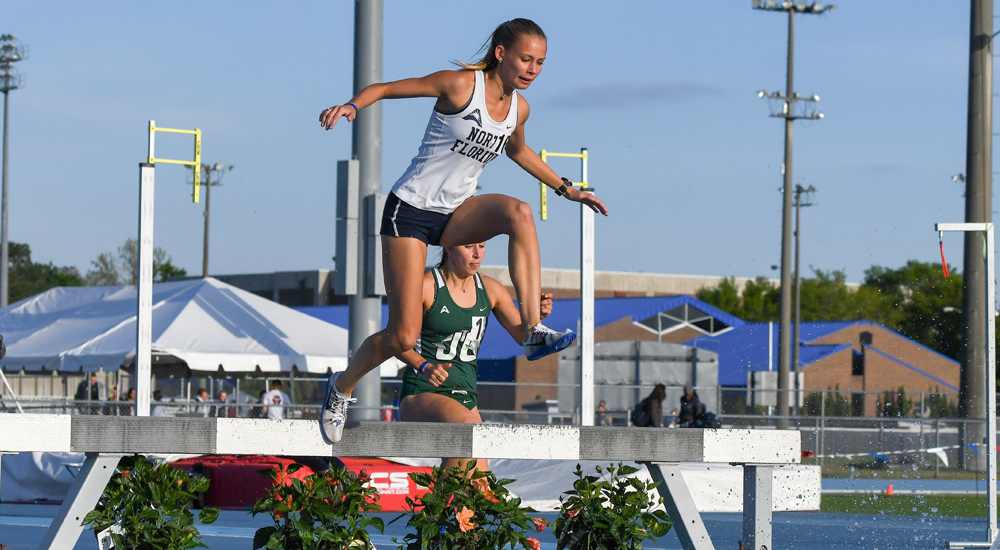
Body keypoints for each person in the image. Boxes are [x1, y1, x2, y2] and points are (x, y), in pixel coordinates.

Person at [318, 18, 608, 444]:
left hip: (456, 215)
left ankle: (532, 331)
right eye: (526, 59)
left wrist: (566, 189)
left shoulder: (518, 109)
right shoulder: (458, 86)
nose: (532, 69)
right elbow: (386, 88)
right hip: (411, 213)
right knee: (403, 335)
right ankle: (341, 388)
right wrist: (352, 106)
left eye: (541, 63)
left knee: (520, 214)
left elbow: (518, 150)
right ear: (501, 53)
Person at [395, 242, 553, 472]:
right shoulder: (425, 286)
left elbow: (524, 336)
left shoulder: (491, 289)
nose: (477, 253)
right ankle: (443, 507)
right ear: (448, 247)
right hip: (423, 394)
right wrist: (424, 365)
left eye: (482, 245)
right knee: (469, 431)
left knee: (477, 483)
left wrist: (536, 316)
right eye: (469, 246)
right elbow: (393, 340)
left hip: (466, 399)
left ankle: (441, 508)